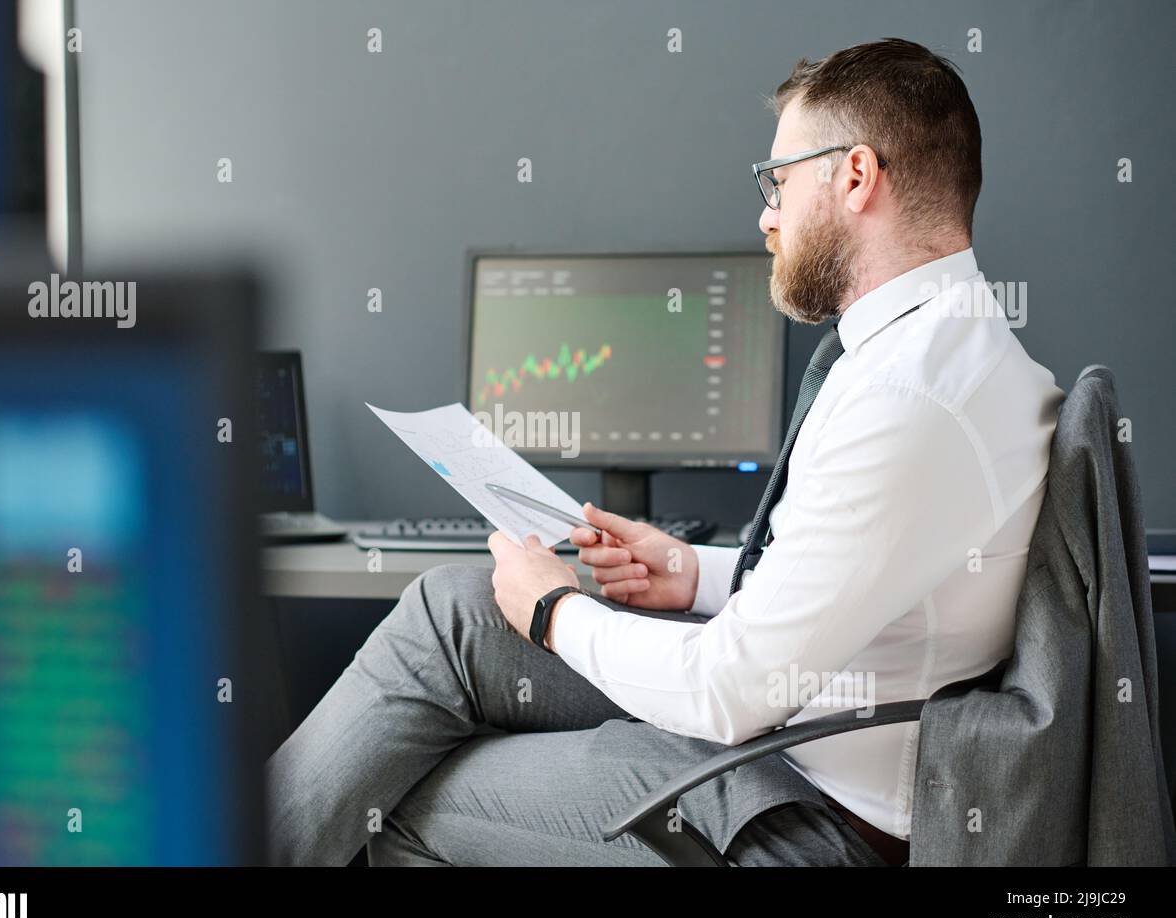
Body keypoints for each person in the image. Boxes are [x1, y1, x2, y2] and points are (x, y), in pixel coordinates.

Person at [265, 37, 1063, 866]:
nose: (767, 214)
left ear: (855, 176)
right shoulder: (933, 352)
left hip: (800, 804)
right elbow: (857, 583)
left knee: (394, 792)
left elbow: (730, 689)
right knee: (452, 609)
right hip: (787, 735)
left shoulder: (911, 397)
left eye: (779, 180)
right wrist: (692, 570)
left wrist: (552, 611)